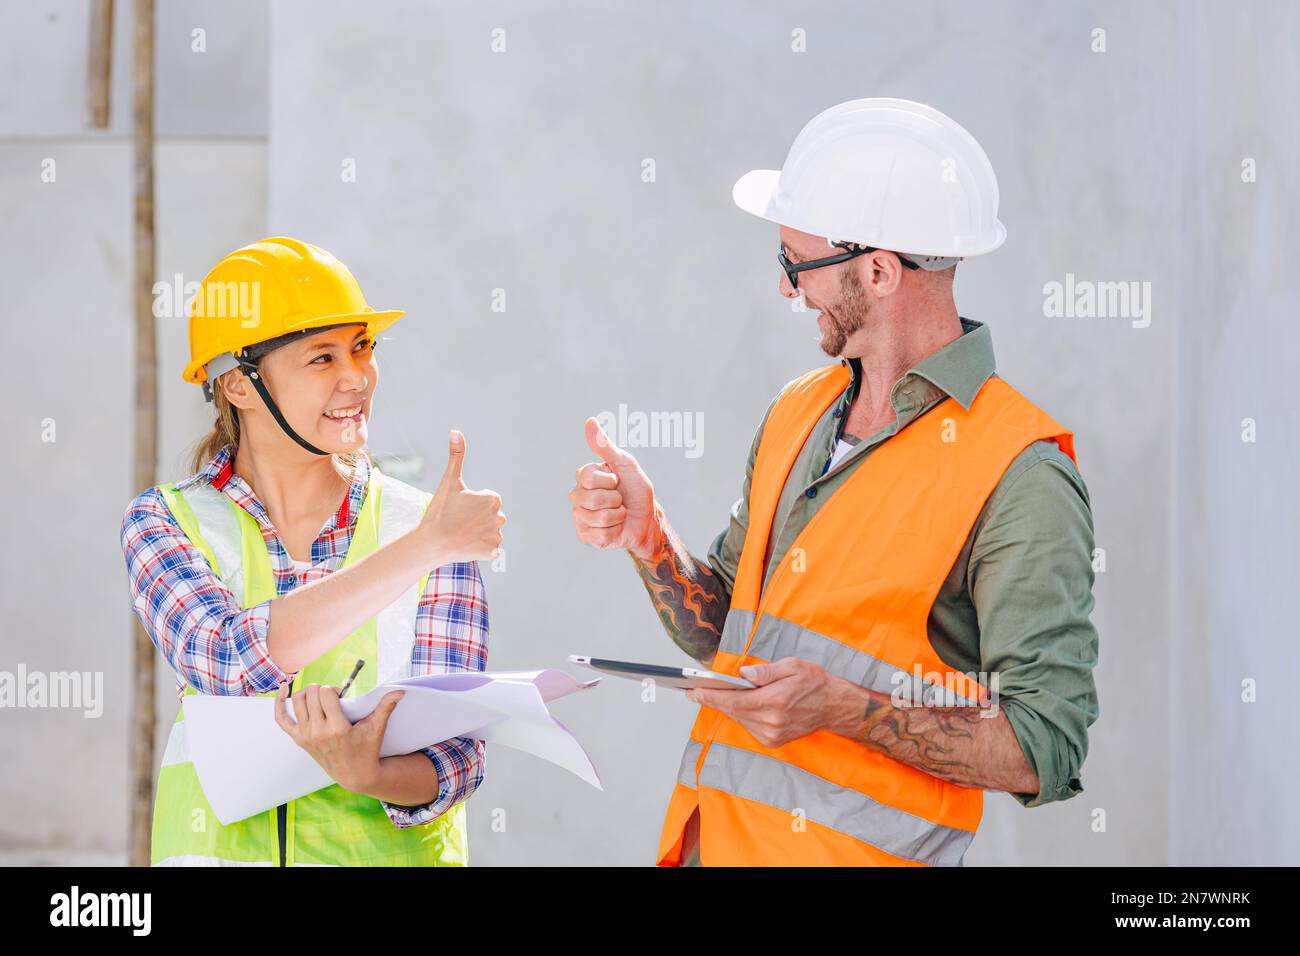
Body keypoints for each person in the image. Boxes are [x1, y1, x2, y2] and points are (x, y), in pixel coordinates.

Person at [569, 99, 1100, 866]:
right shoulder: (799, 412)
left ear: (879, 270)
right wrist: (650, 541)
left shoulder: (1019, 472)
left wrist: (847, 711)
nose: (789, 290)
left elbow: (1045, 745)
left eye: (797, 265)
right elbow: (727, 636)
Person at [121, 237, 506, 866]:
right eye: (321, 358)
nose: (357, 377)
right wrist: (422, 549)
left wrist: (371, 775)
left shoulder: (424, 524)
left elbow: (457, 757)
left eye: (362, 347)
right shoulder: (165, 521)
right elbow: (227, 661)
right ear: (239, 386)